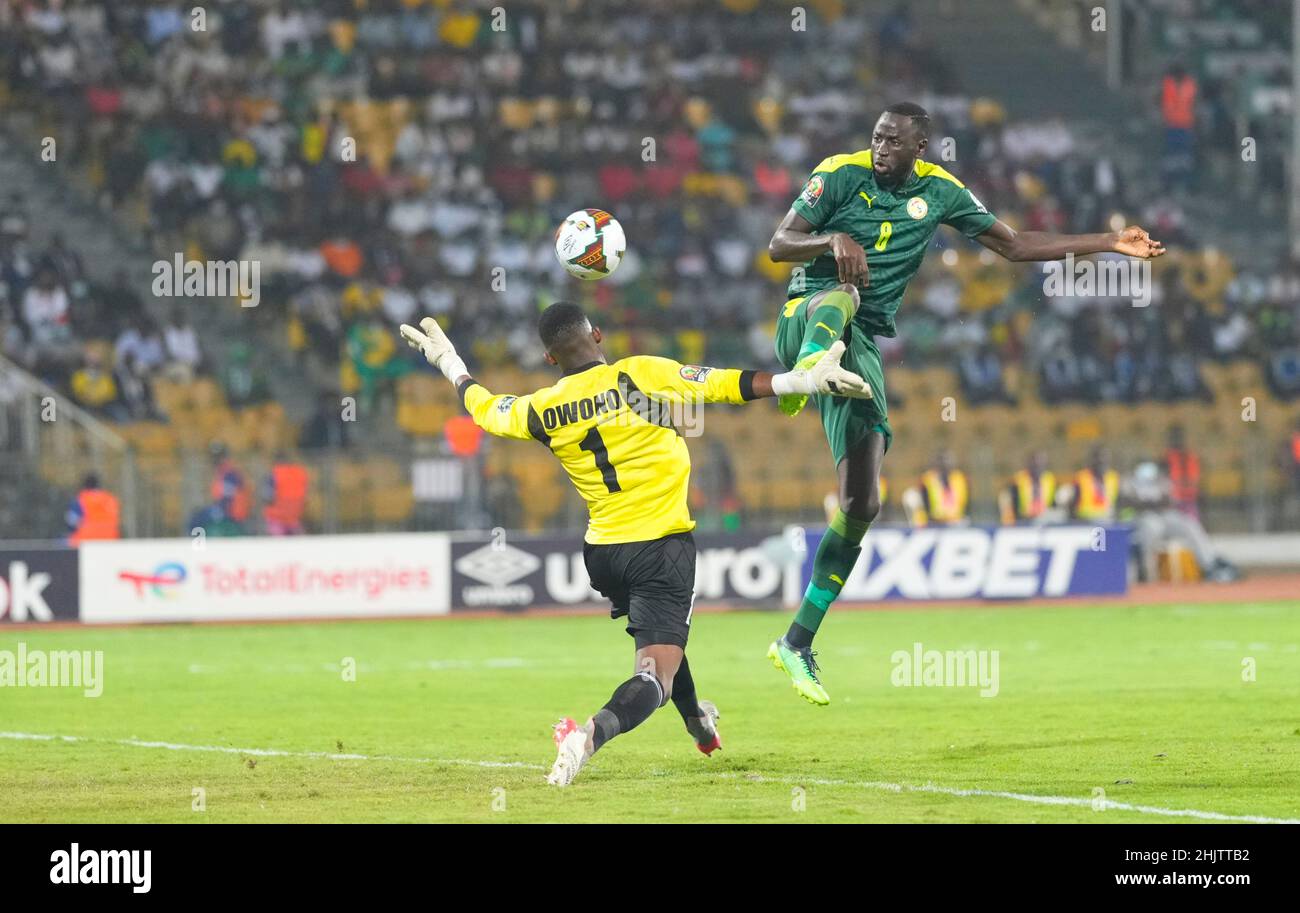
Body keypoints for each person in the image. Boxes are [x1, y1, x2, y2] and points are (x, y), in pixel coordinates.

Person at [764, 101, 1164, 704]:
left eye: (894, 141)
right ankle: (802, 373)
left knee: (863, 501)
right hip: (808, 313)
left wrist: (1109, 241)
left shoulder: (943, 192)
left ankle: (796, 642)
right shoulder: (839, 174)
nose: (880, 148)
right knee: (841, 294)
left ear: (920, 146)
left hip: (862, 343)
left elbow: (1017, 246)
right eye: (876, 137)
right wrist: (832, 236)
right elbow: (778, 243)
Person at [399, 302, 871, 786]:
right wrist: (804, 382)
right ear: (598, 335)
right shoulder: (640, 373)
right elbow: (724, 384)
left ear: (549, 359)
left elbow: (486, 409)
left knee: (663, 641)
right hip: (660, 546)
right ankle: (588, 736)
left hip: (604, 553)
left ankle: (697, 724)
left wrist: (449, 363)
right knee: (653, 677)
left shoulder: (541, 408)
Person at [1123, 461, 1239, 583]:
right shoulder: (1129, 482)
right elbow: (1130, 503)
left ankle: (1210, 564)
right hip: (1144, 518)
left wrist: (1151, 503)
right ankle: (1146, 572)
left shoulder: (1161, 480)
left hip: (1164, 516)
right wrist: (1152, 504)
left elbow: (1168, 501)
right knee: (1152, 527)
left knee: (1189, 524)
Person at [904, 450, 969, 527]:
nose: (944, 467)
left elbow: (966, 502)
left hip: (957, 520)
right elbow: (924, 501)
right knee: (911, 495)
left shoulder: (959, 478)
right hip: (934, 521)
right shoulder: (928, 479)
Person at [999, 451, 1056, 525]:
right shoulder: (1019, 479)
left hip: (1046, 519)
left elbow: (1054, 503)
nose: (1038, 467)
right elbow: (1008, 498)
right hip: (1022, 519)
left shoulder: (1049, 479)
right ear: (1029, 464)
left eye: (1041, 464)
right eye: (1036, 464)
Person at [66, 474, 121, 545]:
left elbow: (72, 521)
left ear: (84, 486)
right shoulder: (110, 499)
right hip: (110, 540)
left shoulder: (81, 499)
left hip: (85, 541)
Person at [262, 452, 309, 535]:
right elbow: (305, 496)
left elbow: (267, 497)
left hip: (277, 518)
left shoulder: (273, 474)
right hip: (294, 518)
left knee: (278, 545)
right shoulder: (300, 473)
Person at [1069, 446, 1119, 523]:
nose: (1102, 461)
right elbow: (1072, 504)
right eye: (1099, 458)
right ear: (1092, 460)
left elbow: (1116, 502)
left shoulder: (1113, 478)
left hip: (1107, 521)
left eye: (1105, 458)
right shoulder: (1081, 477)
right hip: (1085, 521)